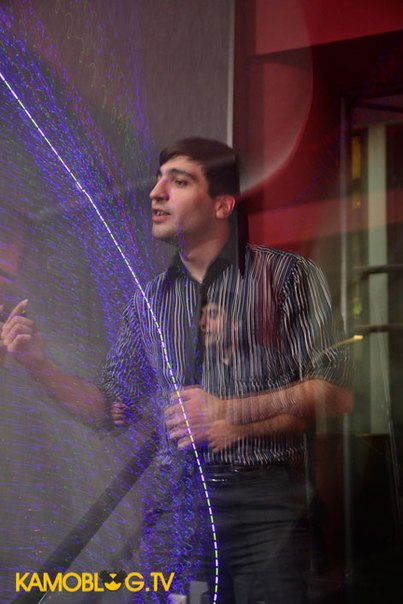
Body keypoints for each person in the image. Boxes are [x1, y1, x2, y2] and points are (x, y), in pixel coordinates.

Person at [1, 137, 352, 603]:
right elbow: (109, 409)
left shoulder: (288, 277)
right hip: (180, 511)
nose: (156, 192)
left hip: (268, 506)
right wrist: (38, 366)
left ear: (223, 205)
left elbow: (335, 393)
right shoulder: (148, 302)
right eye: (158, 180)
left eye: (179, 181)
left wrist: (227, 409)